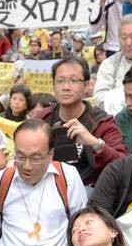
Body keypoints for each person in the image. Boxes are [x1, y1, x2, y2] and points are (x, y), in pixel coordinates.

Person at [29, 56, 126, 190]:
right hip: (46, 188)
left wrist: (94, 143)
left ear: (86, 85)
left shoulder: (102, 122)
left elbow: (122, 164)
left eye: (73, 81)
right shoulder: (42, 118)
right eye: (60, 81)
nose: (66, 87)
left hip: (90, 192)